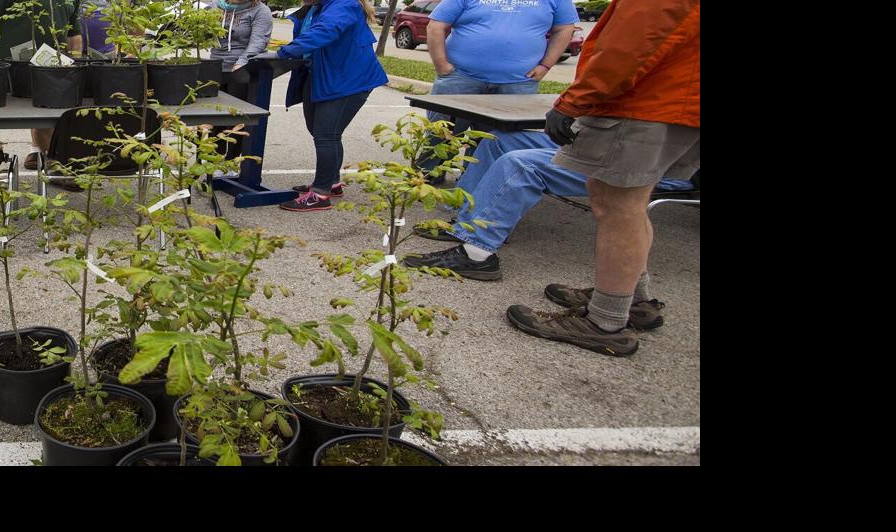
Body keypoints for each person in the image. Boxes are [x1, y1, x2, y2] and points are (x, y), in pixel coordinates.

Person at [504, 0, 699, 357]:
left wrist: (575, 99)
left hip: (645, 100)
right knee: (630, 201)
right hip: (672, 95)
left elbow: (634, 41)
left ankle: (605, 321)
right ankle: (632, 299)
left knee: (616, 204)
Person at [400, 127, 693, 330]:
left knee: (521, 165)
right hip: (616, 141)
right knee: (498, 139)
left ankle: (477, 253)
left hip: (646, 156)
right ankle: (468, 223)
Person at [418, 0, 577, 176]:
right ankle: (426, 177)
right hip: (460, 77)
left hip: (518, 82)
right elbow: (436, 26)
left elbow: (564, 29)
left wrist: (545, 65)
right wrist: (441, 65)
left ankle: (474, 180)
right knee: (442, 131)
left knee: (497, 138)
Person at [272, 0, 387, 211]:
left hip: (348, 80)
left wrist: (284, 52)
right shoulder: (317, 7)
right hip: (323, 76)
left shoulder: (344, 5)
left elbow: (325, 31)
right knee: (320, 131)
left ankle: (320, 193)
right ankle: (332, 182)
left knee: (327, 135)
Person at [0, 0, 83, 171]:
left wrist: (74, 63)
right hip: (7, 69)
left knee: (47, 112)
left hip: (49, 68)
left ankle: (49, 160)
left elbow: (73, 33)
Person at [211, 0, 273, 102]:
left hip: (242, 71)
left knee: (236, 112)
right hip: (215, 66)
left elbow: (258, 42)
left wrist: (241, 64)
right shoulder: (215, 5)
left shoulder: (261, 10)